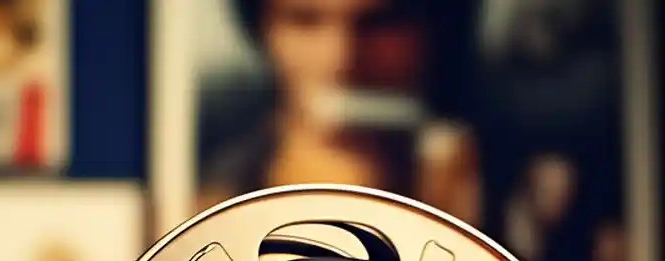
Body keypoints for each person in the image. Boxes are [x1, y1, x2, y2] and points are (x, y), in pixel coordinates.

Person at [199, 0, 479, 223]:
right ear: (261, 30)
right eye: (305, 20)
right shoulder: (204, 194)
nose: (340, 57)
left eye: (379, 23)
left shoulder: (498, 190)